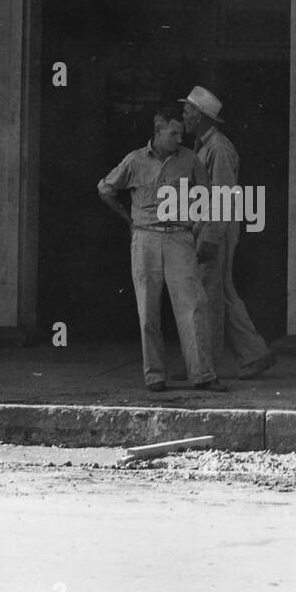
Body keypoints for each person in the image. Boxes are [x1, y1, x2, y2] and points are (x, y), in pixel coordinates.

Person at [98, 107, 227, 394]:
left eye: (180, 132)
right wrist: (128, 220)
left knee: (192, 307)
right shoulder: (134, 161)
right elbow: (105, 188)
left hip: (179, 238)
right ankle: (154, 376)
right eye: (173, 133)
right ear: (157, 133)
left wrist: (196, 225)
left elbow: (207, 194)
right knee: (148, 311)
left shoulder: (190, 160)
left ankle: (203, 374)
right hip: (145, 239)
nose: (179, 137)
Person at [179, 85, 276, 379]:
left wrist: (209, 237)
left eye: (187, 112)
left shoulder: (217, 149)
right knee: (220, 293)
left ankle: (205, 364)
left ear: (199, 117)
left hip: (215, 229)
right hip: (213, 226)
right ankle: (254, 353)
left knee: (209, 295)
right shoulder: (208, 147)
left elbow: (223, 197)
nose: (183, 117)